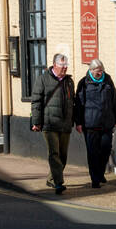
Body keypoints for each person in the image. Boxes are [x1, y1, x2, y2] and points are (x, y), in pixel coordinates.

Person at [30, 53, 74, 194]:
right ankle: (58, 183)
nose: (65, 68)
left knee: (63, 156)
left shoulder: (69, 81)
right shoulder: (42, 80)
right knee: (54, 153)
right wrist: (36, 122)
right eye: (62, 65)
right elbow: (36, 102)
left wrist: (76, 121)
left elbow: (73, 103)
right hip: (49, 124)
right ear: (54, 65)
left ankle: (51, 178)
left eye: (66, 65)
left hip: (65, 124)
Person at [74, 58, 116, 188]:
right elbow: (78, 104)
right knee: (92, 152)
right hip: (90, 124)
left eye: (101, 71)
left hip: (107, 122)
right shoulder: (84, 83)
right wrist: (78, 122)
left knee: (106, 149)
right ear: (91, 70)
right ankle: (95, 178)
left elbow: (114, 100)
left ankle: (100, 173)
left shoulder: (108, 80)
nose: (100, 73)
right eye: (97, 71)